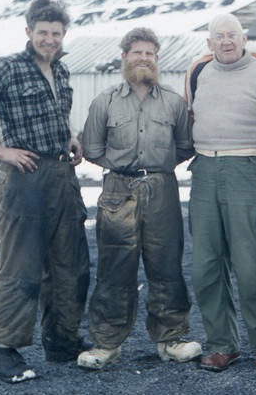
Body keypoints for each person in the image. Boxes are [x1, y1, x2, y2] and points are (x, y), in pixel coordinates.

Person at [0, 0, 90, 383]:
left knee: (71, 265)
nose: (49, 39)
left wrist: (71, 137)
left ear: (63, 36)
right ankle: (5, 352)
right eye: (42, 32)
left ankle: (62, 341)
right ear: (29, 32)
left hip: (63, 177)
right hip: (25, 178)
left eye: (56, 33)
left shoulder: (61, 71)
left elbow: (57, 115)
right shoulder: (6, 67)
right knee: (22, 268)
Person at [77, 27, 202, 369]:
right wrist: (124, 171)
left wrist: (154, 170)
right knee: (114, 270)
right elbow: (92, 148)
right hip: (117, 192)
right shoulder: (105, 101)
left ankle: (171, 338)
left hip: (162, 190)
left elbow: (185, 146)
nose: (144, 58)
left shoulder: (174, 103)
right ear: (125, 57)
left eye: (150, 53)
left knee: (166, 266)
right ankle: (106, 344)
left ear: (157, 59)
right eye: (137, 52)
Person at [185, 13, 256, 372]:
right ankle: (222, 345)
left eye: (232, 35)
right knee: (205, 264)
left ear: (244, 38)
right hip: (204, 170)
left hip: (249, 171)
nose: (226, 42)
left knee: (251, 264)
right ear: (209, 43)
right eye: (219, 37)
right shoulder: (197, 71)